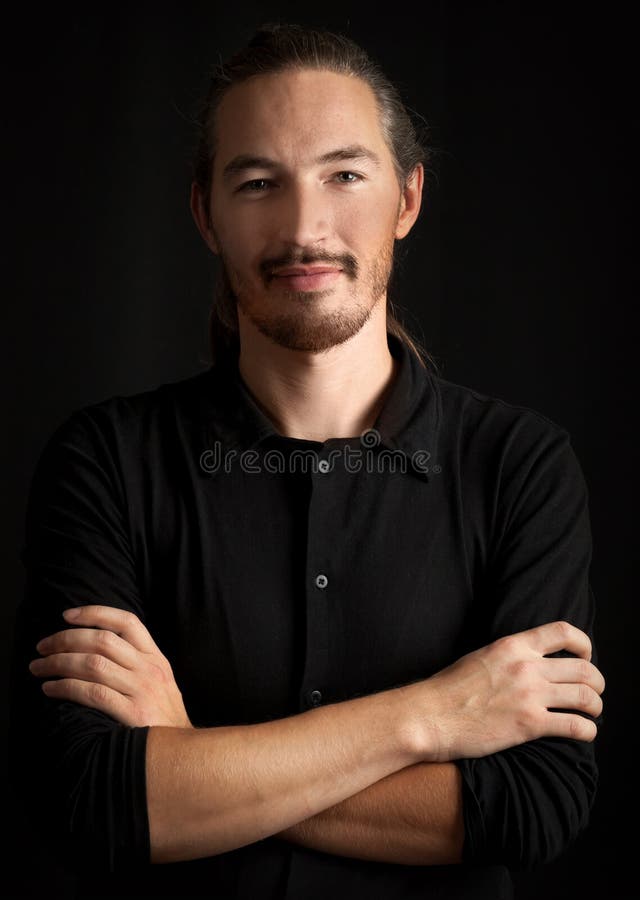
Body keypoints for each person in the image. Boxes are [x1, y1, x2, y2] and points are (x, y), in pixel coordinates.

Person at [9, 22, 604, 900]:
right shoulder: (105, 460)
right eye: (258, 183)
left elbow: (533, 807)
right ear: (207, 215)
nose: (304, 227)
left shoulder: (521, 465)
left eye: (344, 175)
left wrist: (192, 761)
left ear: (407, 199)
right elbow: (89, 799)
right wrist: (433, 715)